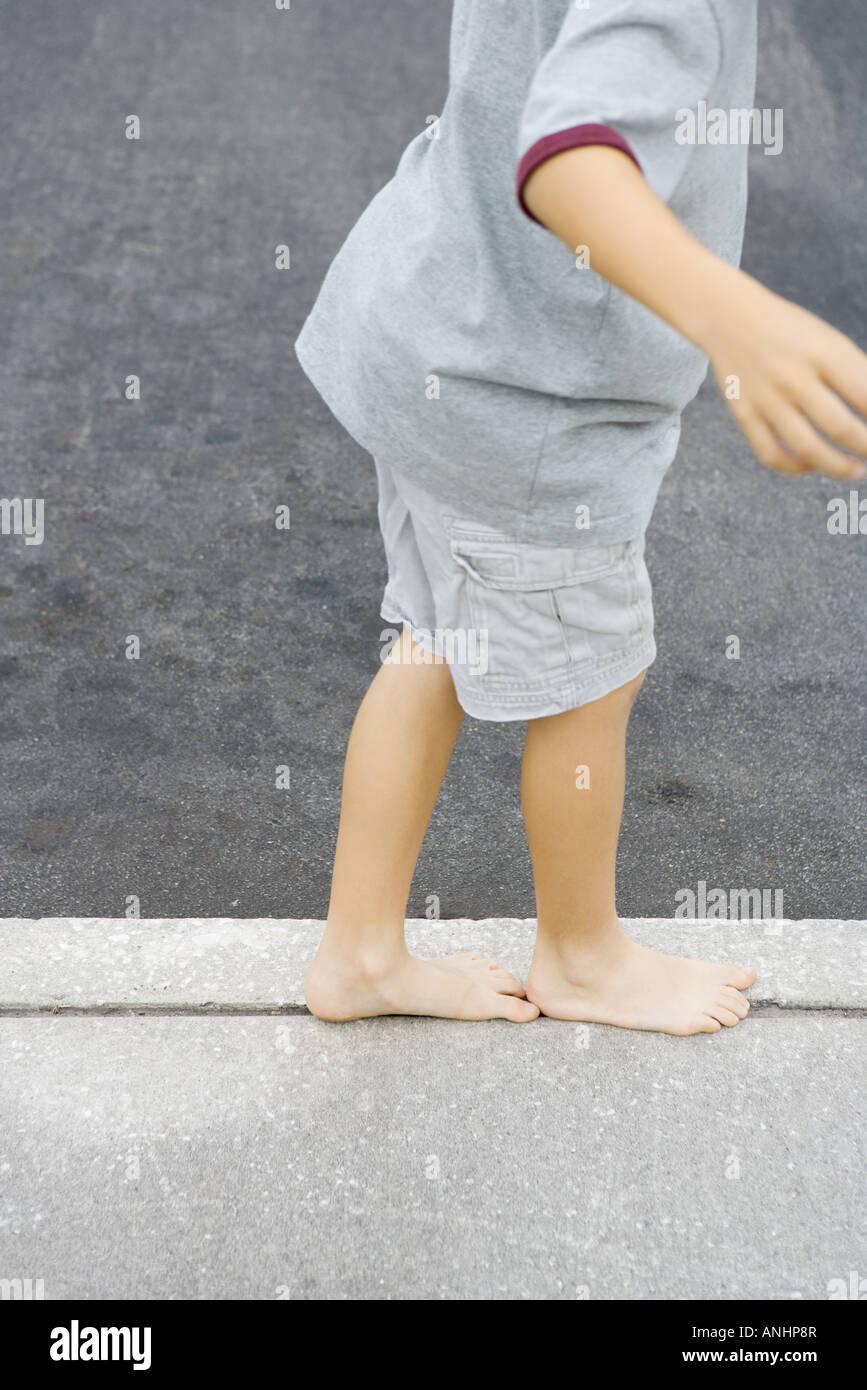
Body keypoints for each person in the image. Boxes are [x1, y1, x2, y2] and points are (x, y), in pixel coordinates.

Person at [294, 1, 867, 1033]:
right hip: (530, 406)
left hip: (435, 323)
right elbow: (571, 159)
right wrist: (733, 315)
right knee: (595, 677)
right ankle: (582, 955)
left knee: (432, 638)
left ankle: (361, 952)